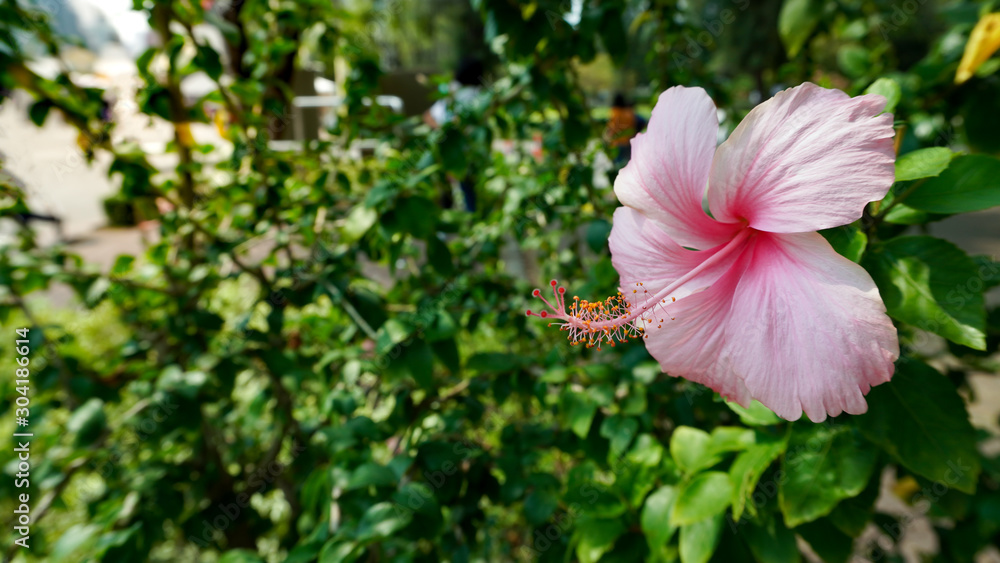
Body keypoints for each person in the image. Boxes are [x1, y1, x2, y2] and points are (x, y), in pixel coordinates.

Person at [423, 57, 485, 212]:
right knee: (466, 187)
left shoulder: (453, 91)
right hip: (463, 149)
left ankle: (454, 220)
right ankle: (471, 219)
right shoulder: (476, 95)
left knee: (450, 188)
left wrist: (443, 131)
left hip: (449, 148)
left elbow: (428, 116)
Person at [604, 93, 647, 173]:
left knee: (618, 167)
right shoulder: (629, 112)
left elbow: (611, 129)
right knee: (629, 166)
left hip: (616, 143)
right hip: (628, 141)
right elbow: (639, 123)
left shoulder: (614, 112)